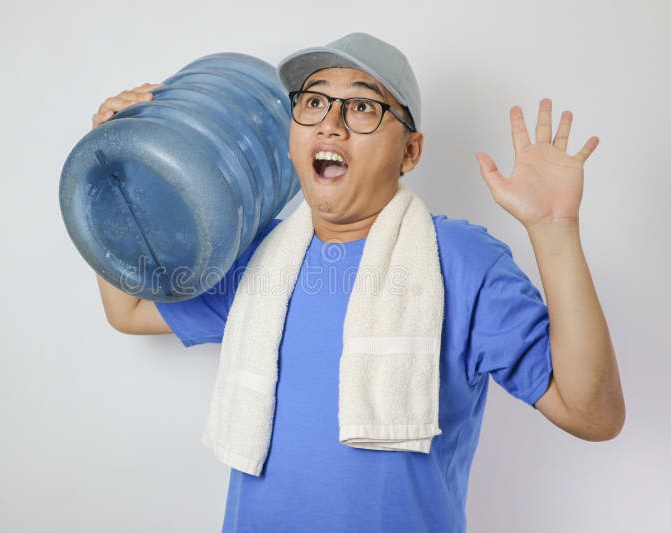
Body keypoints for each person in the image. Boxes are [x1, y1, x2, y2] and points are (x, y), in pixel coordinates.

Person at [92, 32, 625, 533]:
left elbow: (592, 414)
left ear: (410, 152)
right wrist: (113, 162)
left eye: (364, 107)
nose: (331, 124)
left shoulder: (461, 262)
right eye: (314, 102)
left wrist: (556, 231)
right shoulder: (257, 260)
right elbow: (130, 309)